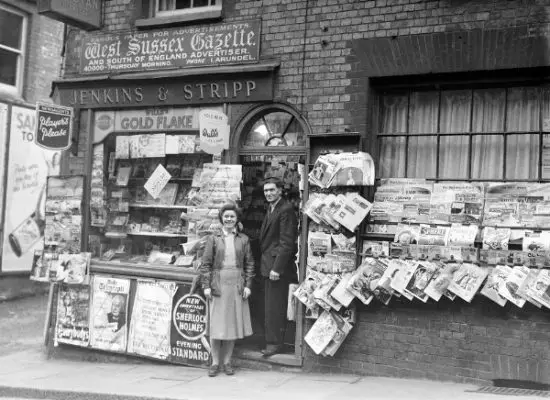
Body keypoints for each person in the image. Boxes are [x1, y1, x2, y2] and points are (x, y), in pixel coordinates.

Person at [201, 203, 254, 377]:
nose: (229, 219)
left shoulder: (243, 239)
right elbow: (206, 264)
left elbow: (249, 264)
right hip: (218, 285)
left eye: (232, 216)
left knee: (231, 325)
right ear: (221, 219)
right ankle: (215, 363)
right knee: (216, 326)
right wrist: (206, 286)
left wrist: (247, 286)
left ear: (236, 219)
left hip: (236, 285)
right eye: (226, 216)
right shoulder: (213, 239)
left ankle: (227, 362)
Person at [259, 177, 298, 357]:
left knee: (274, 306)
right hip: (267, 264)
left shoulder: (286, 209)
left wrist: (277, 268)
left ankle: (275, 343)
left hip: (275, 267)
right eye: (266, 190)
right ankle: (271, 340)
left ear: (280, 190)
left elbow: (287, 242)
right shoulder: (272, 208)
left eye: (272, 190)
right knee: (269, 305)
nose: (268, 193)